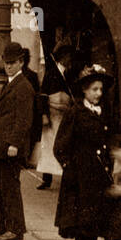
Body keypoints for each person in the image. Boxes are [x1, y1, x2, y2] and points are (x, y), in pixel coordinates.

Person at [53, 63, 116, 240]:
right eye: (94, 89)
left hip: (99, 172)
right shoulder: (75, 112)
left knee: (95, 216)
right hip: (79, 173)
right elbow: (60, 145)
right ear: (84, 90)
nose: (98, 93)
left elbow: (111, 139)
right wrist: (68, 166)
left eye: (100, 89)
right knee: (80, 217)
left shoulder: (105, 112)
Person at [0, 42, 35, 240]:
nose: (8, 66)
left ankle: (15, 229)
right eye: (6, 62)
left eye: (12, 63)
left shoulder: (23, 86)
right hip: (2, 144)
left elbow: (24, 120)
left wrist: (14, 143)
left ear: (21, 62)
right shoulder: (12, 83)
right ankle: (0, 225)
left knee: (10, 188)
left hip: (10, 146)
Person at [36, 44, 77, 189]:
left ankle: (66, 177)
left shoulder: (71, 74)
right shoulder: (50, 73)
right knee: (48, 146)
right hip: (52, 114)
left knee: (65, 145)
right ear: (62, 57)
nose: (69, 59)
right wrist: (44, 115)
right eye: (67, 56)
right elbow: (42, 95)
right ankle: (46, 179)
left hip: (65, 114)